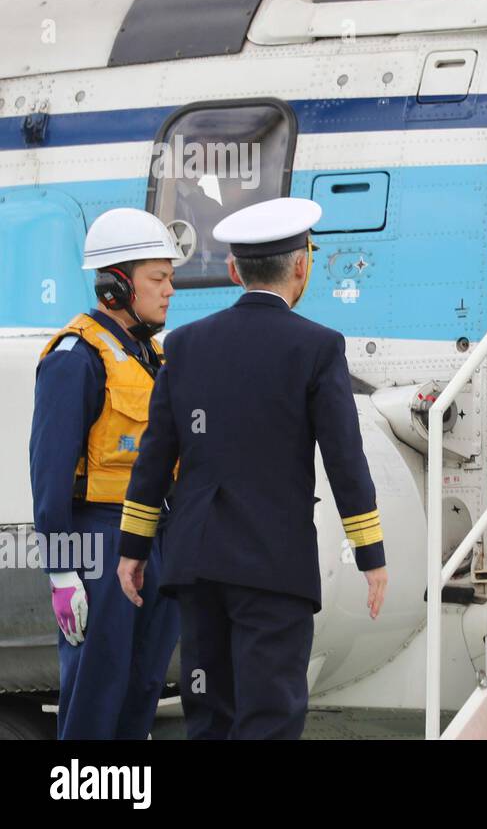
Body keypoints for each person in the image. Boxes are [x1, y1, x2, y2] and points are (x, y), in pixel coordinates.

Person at [116, 197, 388, 740]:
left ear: (234, 270)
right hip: (272, 566)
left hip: (196, 563)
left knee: (209, 716)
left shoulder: (184, 345)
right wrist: (371, 555)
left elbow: (155, 455)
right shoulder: (317, 347)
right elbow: (345, 459)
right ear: (302, 267)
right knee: (269, 716)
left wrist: (133, 548)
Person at [29, 208, 186, 739]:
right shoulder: (76, 358)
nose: (169, 291)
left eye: (171, 279)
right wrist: (61, 570)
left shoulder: (153, 357)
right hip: (97, 541)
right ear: (117, 286)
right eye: (158, 279)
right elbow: (49, 475)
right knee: (96, 692)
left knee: (142, 691)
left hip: (152, 538)